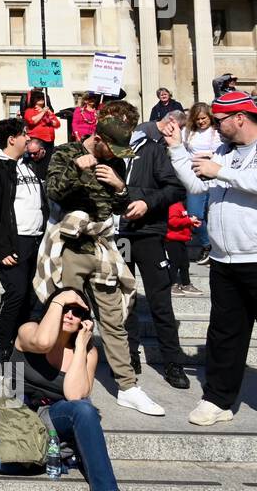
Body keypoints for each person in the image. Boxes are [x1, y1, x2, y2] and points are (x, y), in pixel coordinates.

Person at [159, 91, 257, 447]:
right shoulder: (225, 153)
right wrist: (177, 149)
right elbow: (197, 183)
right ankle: (218, 398)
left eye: (220, 120)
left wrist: (221, 171)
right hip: (227, 260)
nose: (215, 125)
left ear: (240, 117)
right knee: (225, 334)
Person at [40, 101, 166, 417]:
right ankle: (58, 379)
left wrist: (121, 187)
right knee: (67, 317)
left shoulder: (116, 165)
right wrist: (77, 170)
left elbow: (121, 208)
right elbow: (53, 192)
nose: (115, 157)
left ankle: (127, 386)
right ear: (98, 139)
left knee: (114, 318)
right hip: (70, 247)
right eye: (112, 149)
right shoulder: (67, 153)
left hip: (103, 248)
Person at [0, 289, 128, 491]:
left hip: (55, 415)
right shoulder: (29, 331)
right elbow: (43, 342)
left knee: (84, 410)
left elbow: (76, 395)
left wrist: (82, 346)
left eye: (78, 312)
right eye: (66, 308)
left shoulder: (88, 352)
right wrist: (61, 299)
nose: (70, 315)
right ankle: (61, 453)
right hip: (19, 414)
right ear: (53, 308)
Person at [121, 110, 190, 390]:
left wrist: (147, 203)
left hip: (148, 234)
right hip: (117, 235)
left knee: (160, 301)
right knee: (123, 300)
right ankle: (129, 355)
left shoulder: (152, 150)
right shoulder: (105, 153)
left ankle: (173, 362)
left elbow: (175, 188)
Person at [0, 118, 47, 365]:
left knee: (28, 295)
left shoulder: (27, 166)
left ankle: (21, 343)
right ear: (11, 139)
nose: (29, 138)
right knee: (16, 292)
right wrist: (0, 247)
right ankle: (2, 346)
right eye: (24, 134)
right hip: (12, 244)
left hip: (35, 241)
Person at [183, 102, 220, 264]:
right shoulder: (188, 132)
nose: (201, 122)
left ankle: (217, 247)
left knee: (214, 214)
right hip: (194, 176)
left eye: (203, 118)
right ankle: (207, 245)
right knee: (195, 214)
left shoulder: (217, 131)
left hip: (215, 175)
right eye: (197, 119)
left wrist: (208, 154)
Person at [166, 201, 203, 297]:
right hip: (172, 240)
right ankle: (172, 284)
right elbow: (172, 222)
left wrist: (191, 223)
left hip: (180, 239)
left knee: (185, 263)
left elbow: (180, 221)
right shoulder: (173, 206)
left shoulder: (180, 205)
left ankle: (186, 284)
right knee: (175, 263)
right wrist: (189, 221)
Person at [23, 90, 60, 155]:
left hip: (50, 140)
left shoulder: (48, 112)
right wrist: (42, 112)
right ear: (33, 100)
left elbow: (57, 124)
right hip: (37, 139)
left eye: (42, 97)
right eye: (38, 97)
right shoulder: (29, 111)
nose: (41, 99)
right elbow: (32, 121)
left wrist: (49, 116)